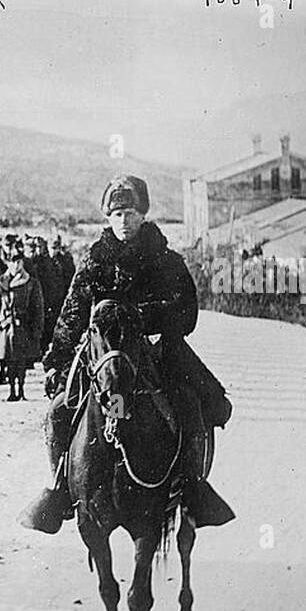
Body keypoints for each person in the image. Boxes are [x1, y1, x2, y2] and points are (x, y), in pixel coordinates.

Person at [19, 174, 234, 533]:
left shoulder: (166, 260)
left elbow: (187, 312)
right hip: (103, 357)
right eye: (117, 214)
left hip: (153, 350)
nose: (124, 221)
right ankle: (61, 489)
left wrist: (142, 317)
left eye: (131, 213)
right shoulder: (93, 261)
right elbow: (72, 314)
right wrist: (57, 361)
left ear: (143, 215)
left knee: (192, 403)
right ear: (107, 217)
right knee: (58, 413)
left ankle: (193, 487)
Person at [0, 245, 42, 402]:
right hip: (5, 326)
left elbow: (37, 308)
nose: (16, 265)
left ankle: (21, 389)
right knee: (8, 360)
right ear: (7, 263)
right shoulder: (0, 282)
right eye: (12, 262)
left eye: (19, 261)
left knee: (21, 360)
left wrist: (37, 329)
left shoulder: (30, 282)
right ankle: (11, 389)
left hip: (22, 327)